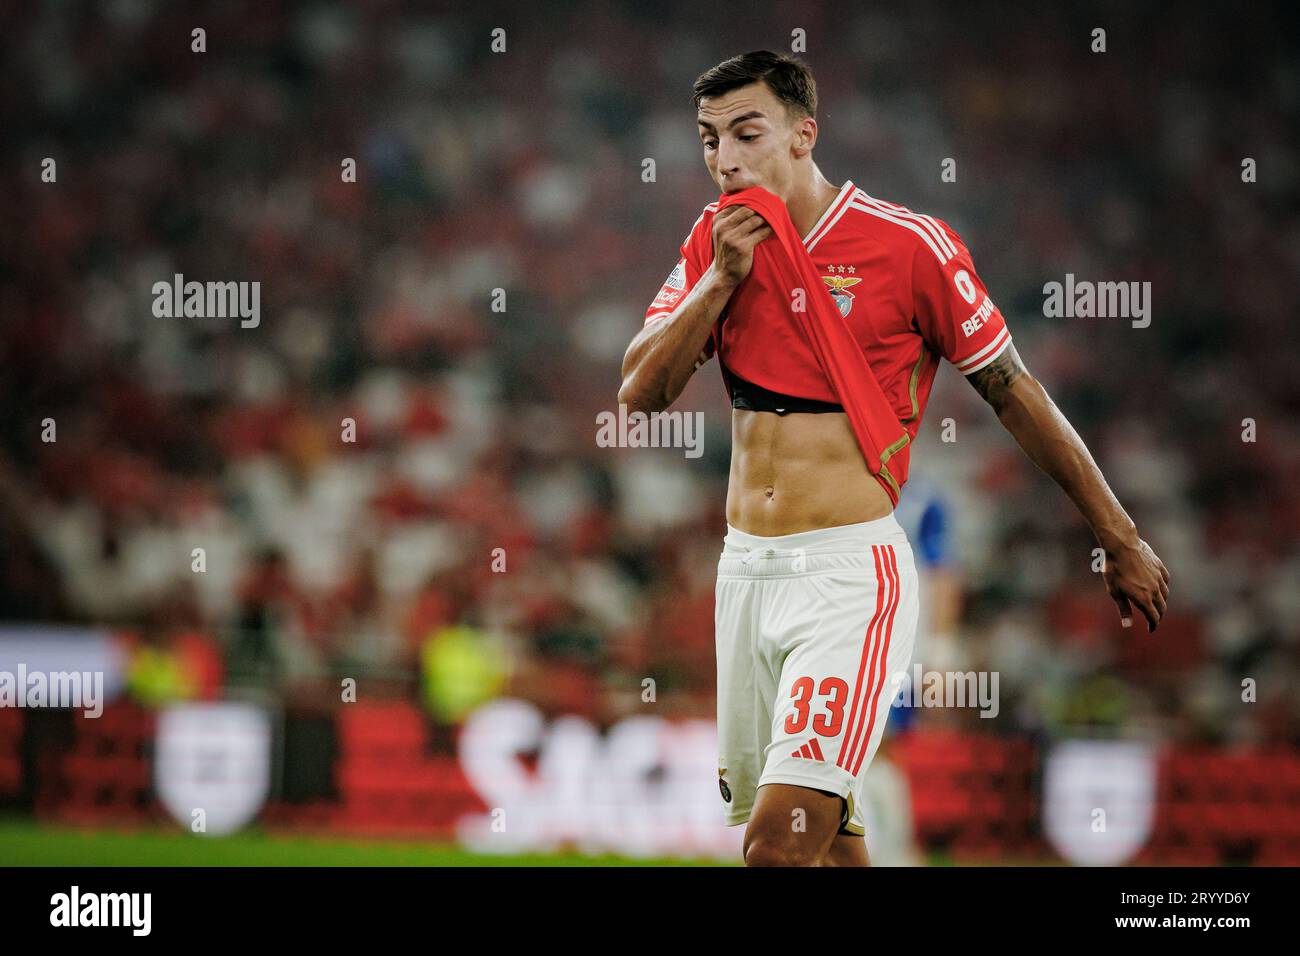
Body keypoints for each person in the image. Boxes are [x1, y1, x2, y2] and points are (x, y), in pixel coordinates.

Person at [618, 51, 1170, 867]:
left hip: (846, 579)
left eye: (745, 133)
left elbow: (1015, 391)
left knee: (776, 849)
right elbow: (638, 392)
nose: (723, 159)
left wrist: (1118, 536)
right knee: (836, 847)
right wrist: (719, 282)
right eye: (707, 139)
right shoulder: (713, 241)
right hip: (744, 573)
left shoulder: (908, 246)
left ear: (804, 135)